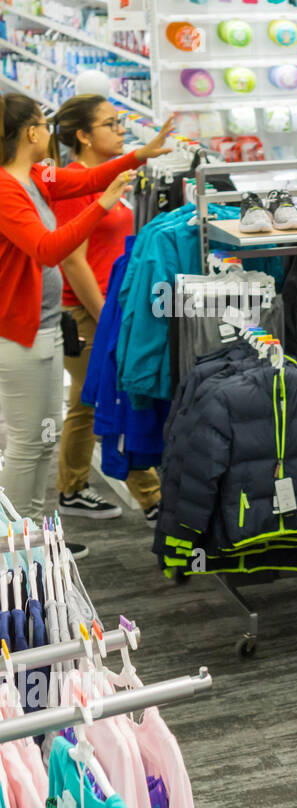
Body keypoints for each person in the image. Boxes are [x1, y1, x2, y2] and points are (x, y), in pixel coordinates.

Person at [0, 94, 171, 549]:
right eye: (42, 123)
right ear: (29, 133)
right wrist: (102, 206)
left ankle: (39, 537)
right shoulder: (6, 189)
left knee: (41, 440)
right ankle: (19, 544)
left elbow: (87, 177)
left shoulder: (36, 175)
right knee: (27, 443)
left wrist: (139, 154)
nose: (48, 131)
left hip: (45, 326)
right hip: (20, 334)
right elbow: (48, 250)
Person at [51, 95, 163, 523]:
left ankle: (73, 487)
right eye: (110, 124)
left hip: (109, 304)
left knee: (88, 402)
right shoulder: (74, 184)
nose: (120, 130)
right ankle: (150, 498)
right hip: (87, 310)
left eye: (120, 122)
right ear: (83, 135)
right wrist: (104, 317)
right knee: (112, 397)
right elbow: (73, 261)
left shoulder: (105, 177)